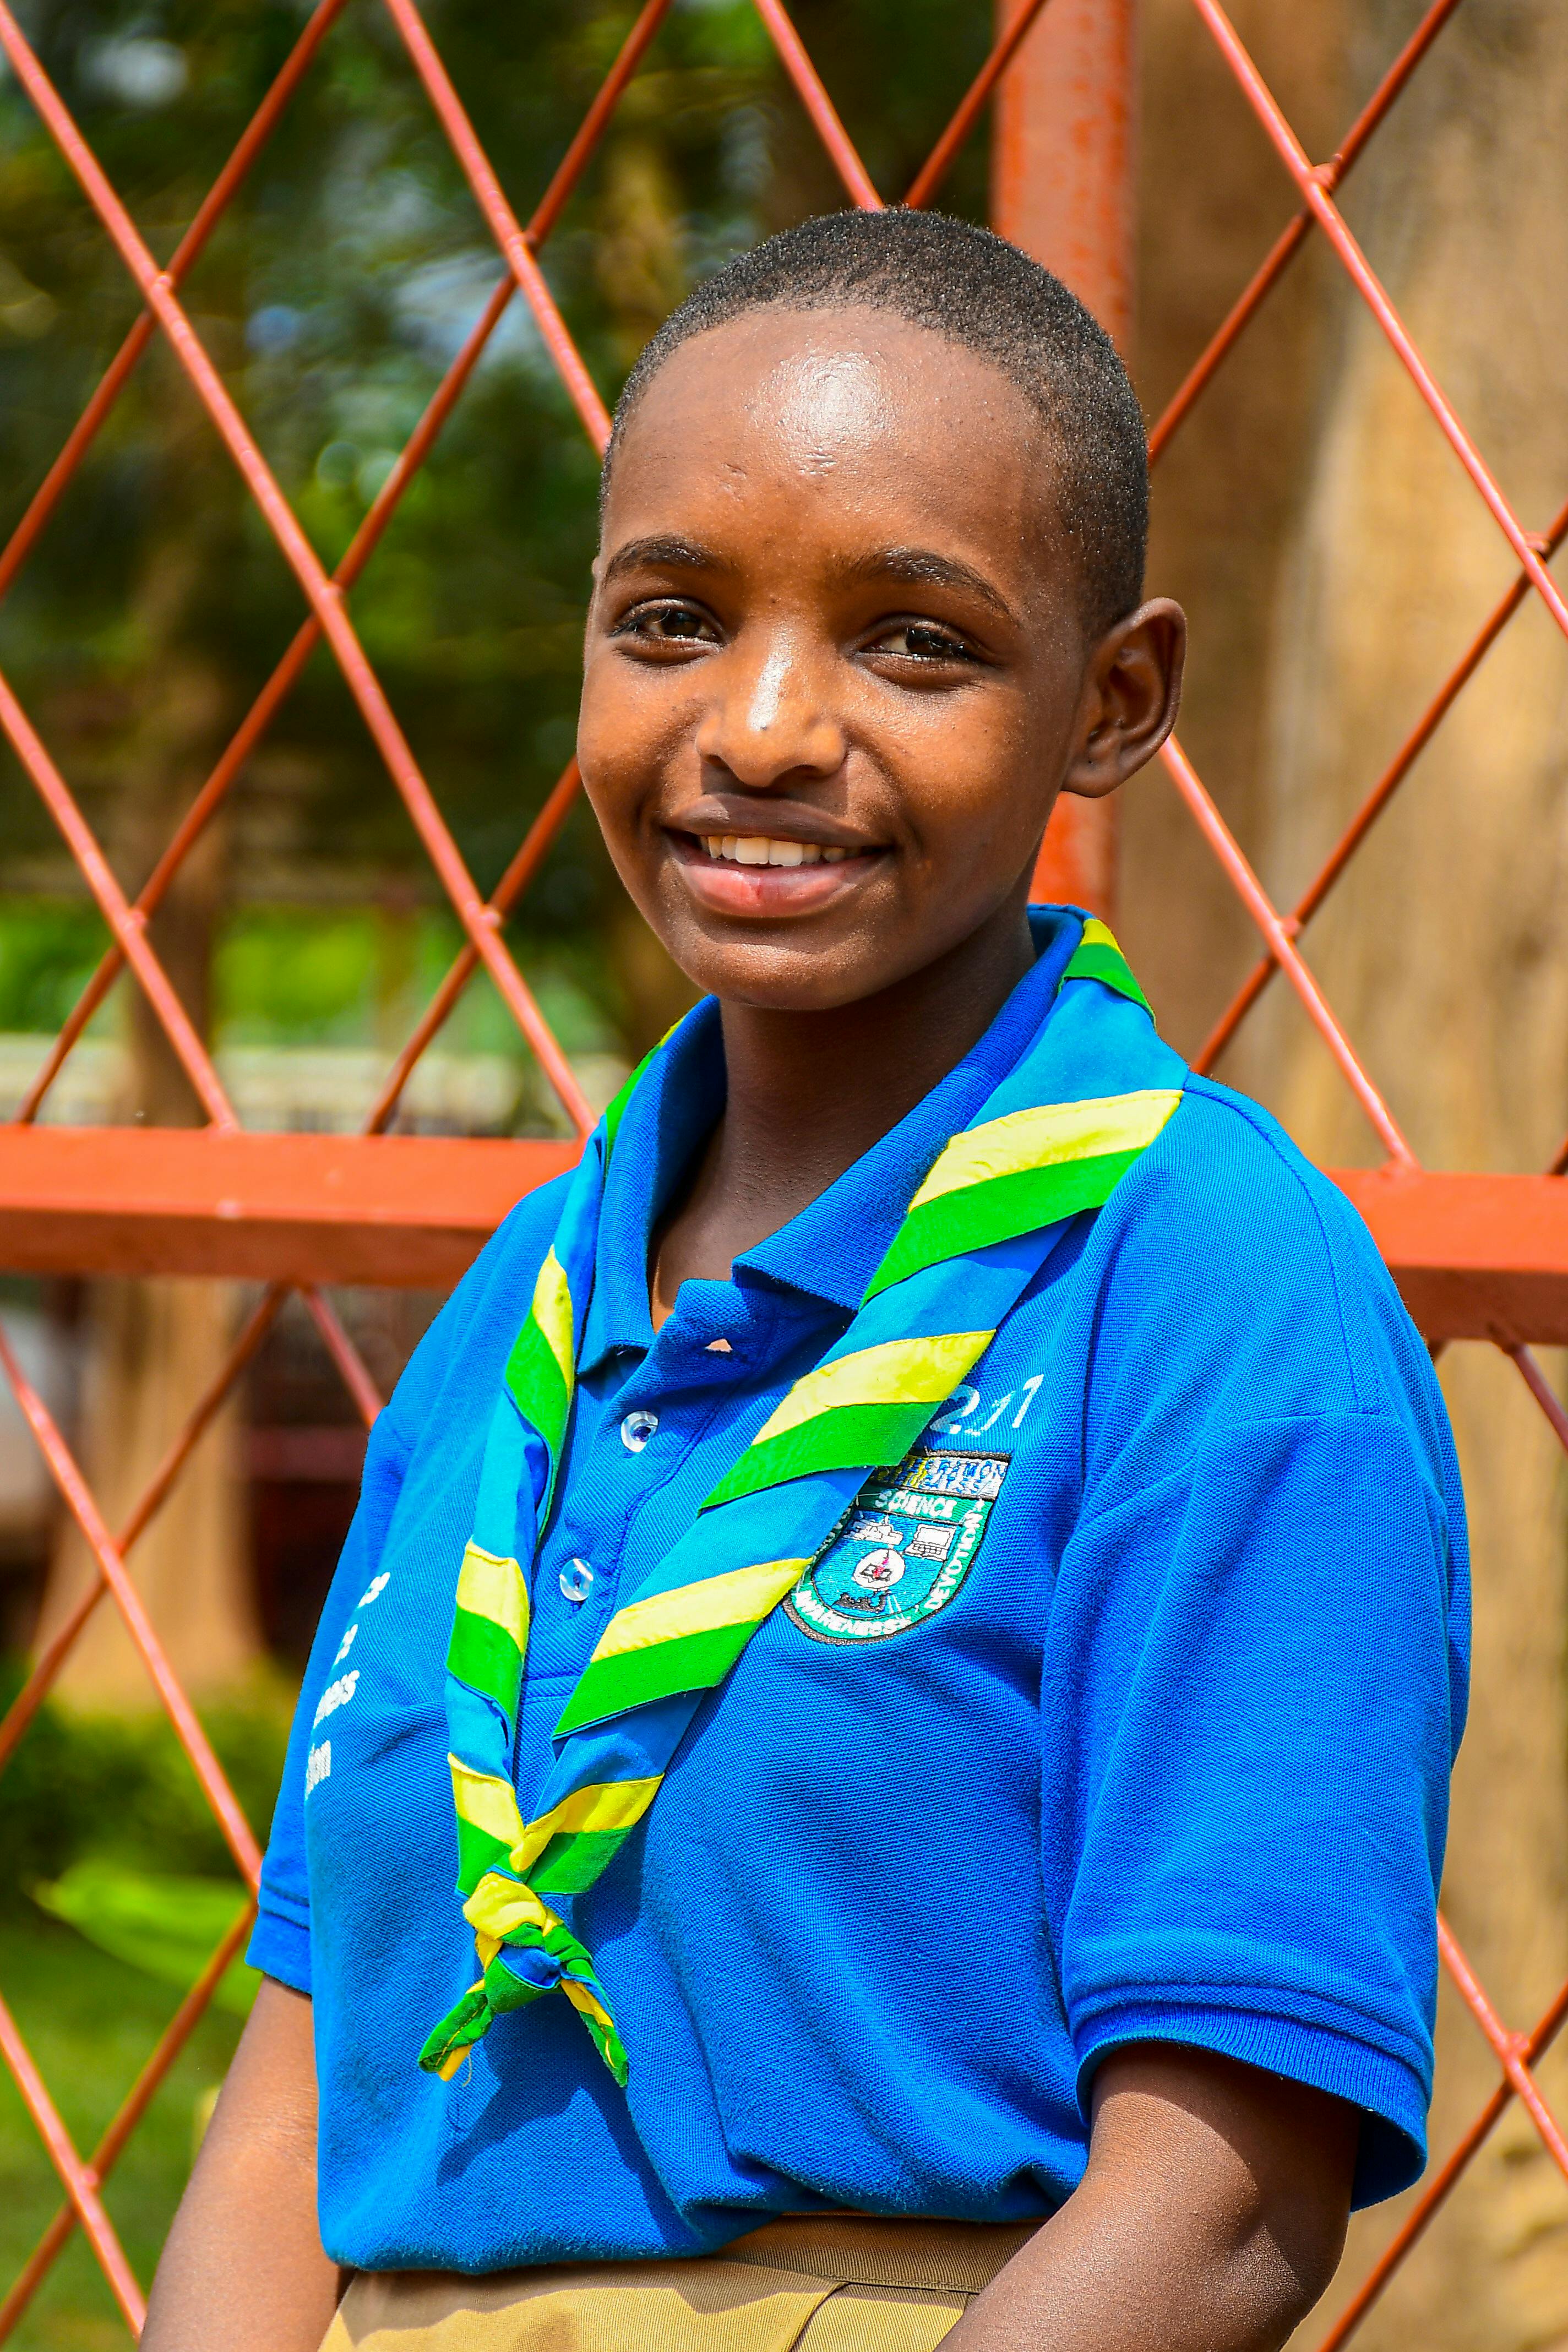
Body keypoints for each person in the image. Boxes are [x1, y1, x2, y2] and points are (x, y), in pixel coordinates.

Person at [143, 208, 1469, 2352]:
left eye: (911, 643)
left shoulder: (1209, 1292)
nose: (759, 728)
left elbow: (1221, 2198)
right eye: (669, 620)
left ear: (1111, 702)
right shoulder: (516, 1321)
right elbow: (295, 2105)